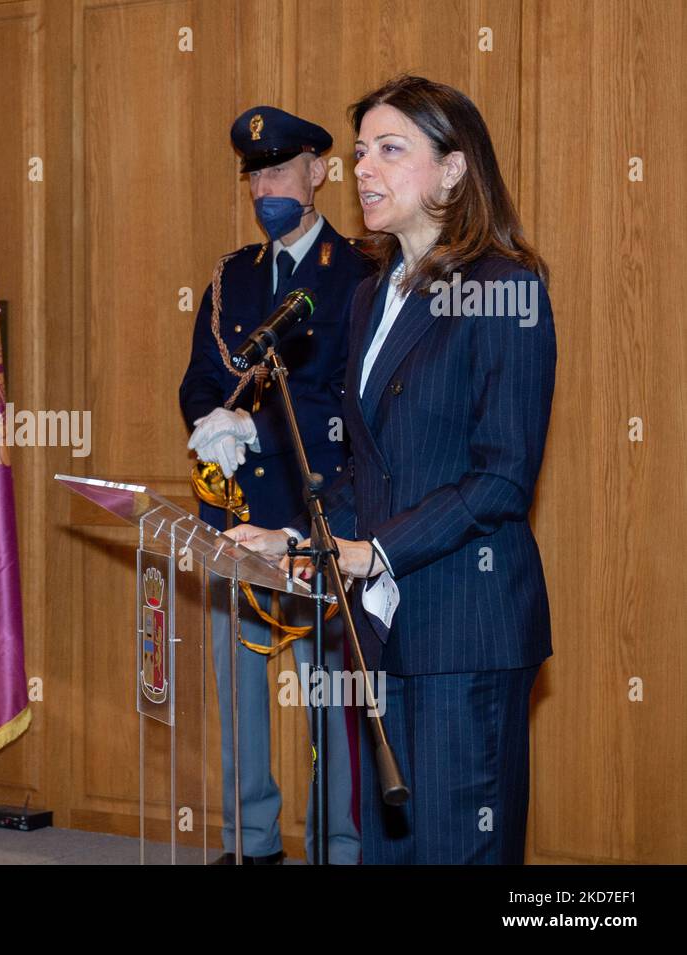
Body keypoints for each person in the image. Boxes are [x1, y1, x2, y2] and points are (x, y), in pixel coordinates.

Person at [226, 75, 556, 864]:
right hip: (380, 629)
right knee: (387, 851)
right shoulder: (373, 298)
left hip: (465, 629)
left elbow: (502, 479)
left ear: (452, 170)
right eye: (363, 151)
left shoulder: (508, 290)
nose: (364, 168)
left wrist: (374, 552)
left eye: (391, 149)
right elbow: (367, 472)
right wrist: (294, 537)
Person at [180, 106, 371, 864]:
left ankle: (340, 847)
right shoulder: (234, 276)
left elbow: (349, 400)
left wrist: (252, 425)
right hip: (234, 516)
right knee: (242, 699)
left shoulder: (358, 275)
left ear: (320, 172)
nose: (266, 185)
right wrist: (211, 421)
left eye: (281, 169)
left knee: (329, 701)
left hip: (317, 522)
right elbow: (199, 379)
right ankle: (250, 842)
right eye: (255, 173)